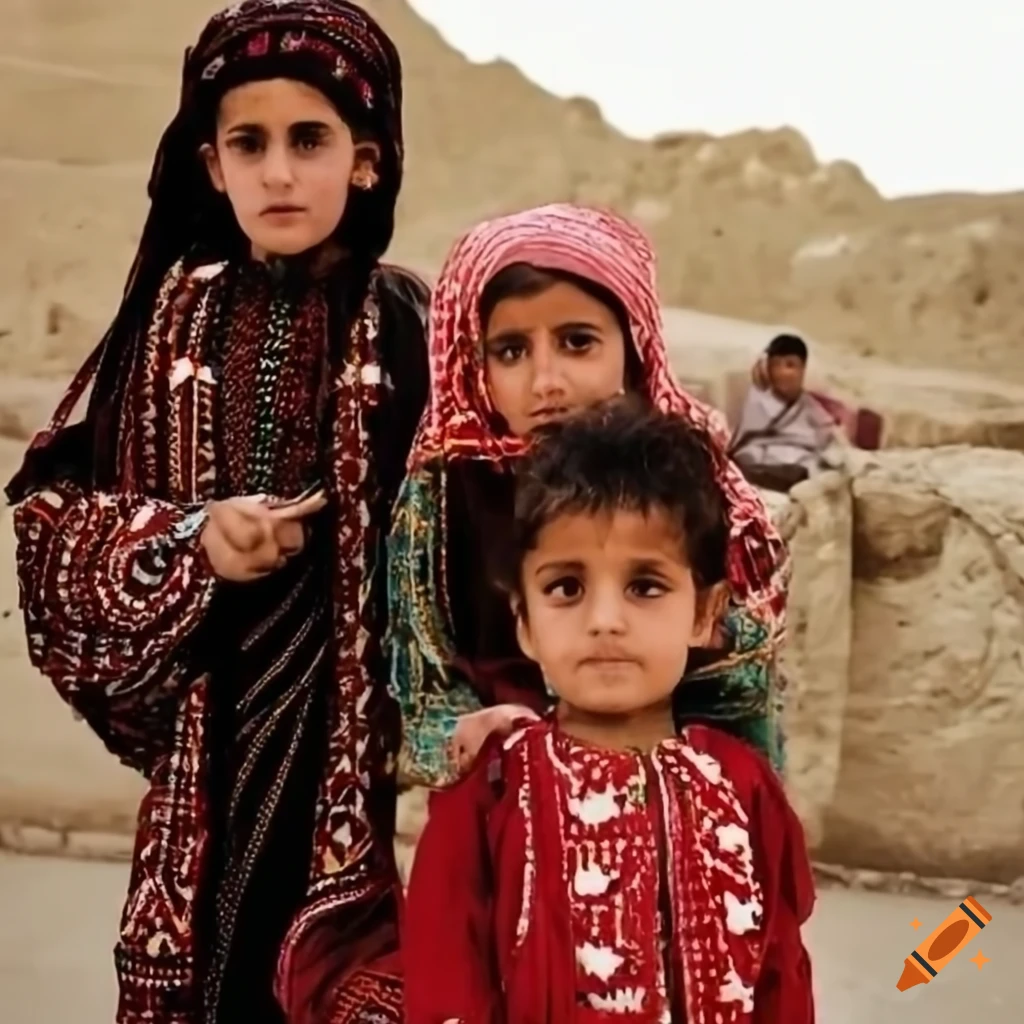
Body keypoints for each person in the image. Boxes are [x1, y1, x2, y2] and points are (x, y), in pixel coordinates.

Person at [5, 3, 428, 1023]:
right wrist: (193, 542)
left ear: (365, 161)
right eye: (250, 142)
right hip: (206, 740)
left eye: (309, 139)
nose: (278, 171)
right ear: (211, 163)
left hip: (340, 761)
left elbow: (469, 516)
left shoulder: (407, 321)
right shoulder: (166, 323)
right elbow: (49, 519)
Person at [403, 400, 816, 1023]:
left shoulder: (743, 787)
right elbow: (445, 987)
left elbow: (783, 980)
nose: (604, 621)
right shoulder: (488, 792)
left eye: (645, 586)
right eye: (566, 587)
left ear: (705, 614)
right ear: (525, 625)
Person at [388, 204, 790, 789]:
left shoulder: (685, 479)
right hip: (501, 795)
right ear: (477, 366)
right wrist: (475, 732)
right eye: (511, 351)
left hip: (670, 792)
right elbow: (423, 682)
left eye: (577, 343)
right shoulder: (446, 493)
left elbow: (742, 679)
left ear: (632, 348)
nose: (545, 380)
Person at [730, 333, 837, 492]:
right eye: (776, 365)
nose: (782, 373)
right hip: (755, 469)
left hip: (797, 473)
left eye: (790, 365)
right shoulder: (757, 399)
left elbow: (828, 444)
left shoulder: (812, 409)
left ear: (803, 369)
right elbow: (738, 444)